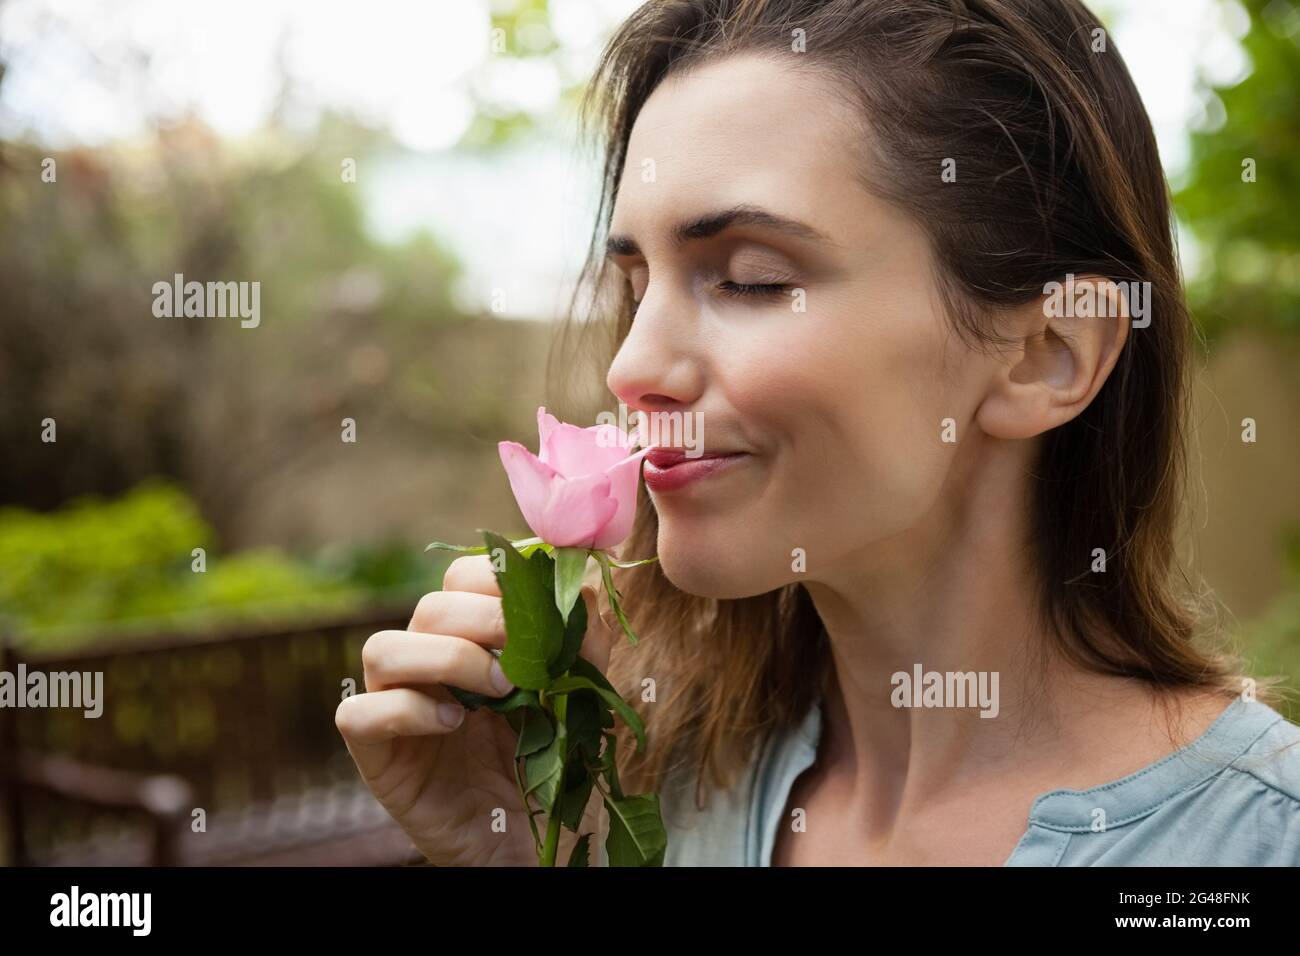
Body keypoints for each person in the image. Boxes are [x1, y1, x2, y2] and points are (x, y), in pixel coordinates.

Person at [336, 0, 1300, 866]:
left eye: (750, 277)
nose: (632, 367)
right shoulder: (658, 790)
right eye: (634, 287)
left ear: (1046, 352)